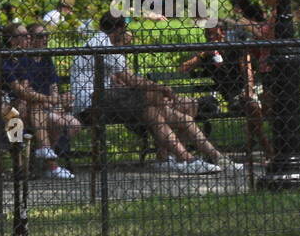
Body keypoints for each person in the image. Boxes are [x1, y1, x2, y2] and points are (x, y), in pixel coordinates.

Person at [70, 13, 236, 174]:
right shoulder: (105, 45)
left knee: (155, 111)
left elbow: (124, 80)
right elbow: (132, 81)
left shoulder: (98, 41)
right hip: (93, 103)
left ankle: (196, 158)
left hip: (99, 99)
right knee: (156, 97)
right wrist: (163, 89)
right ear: (121, 28)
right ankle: (191, 158)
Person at [180, 6, 272, 159]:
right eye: (208, 34)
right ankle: (267, 149)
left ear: (222, 33)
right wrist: (203, 55)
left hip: (249, 88)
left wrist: (249, 88)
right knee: (252, 106)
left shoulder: (234, 47)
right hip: (233, 95)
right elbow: (182, 68)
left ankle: (254, 147)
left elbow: (247, 69)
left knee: (258, 104)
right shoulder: (206, 53)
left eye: (214, 33)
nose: (211, 37)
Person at [1, 23, 79, 178]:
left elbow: (26, 89)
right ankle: (46, 163)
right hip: (7, 106)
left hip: (29, 105)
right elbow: (21, 91)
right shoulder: (6, 59)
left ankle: (44, 155)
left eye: (29, 35)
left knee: (37, 110)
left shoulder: (24, 58)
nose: (28, 38)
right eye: (24, 35)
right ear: (11, 40)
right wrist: (53, 100)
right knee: (16, 117)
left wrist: (55, 101)